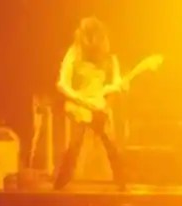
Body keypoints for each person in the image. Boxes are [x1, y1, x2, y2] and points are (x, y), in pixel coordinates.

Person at [53, 17, 127, 191]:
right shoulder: (74, 53)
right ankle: (59, 184)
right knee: (74, 145)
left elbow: (116, 83)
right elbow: (62, 84)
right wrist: (83, 101)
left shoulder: (110, 57)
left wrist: (114, 88)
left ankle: (123, 183)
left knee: (111, 144)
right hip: (79, 106)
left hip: (98, 106)